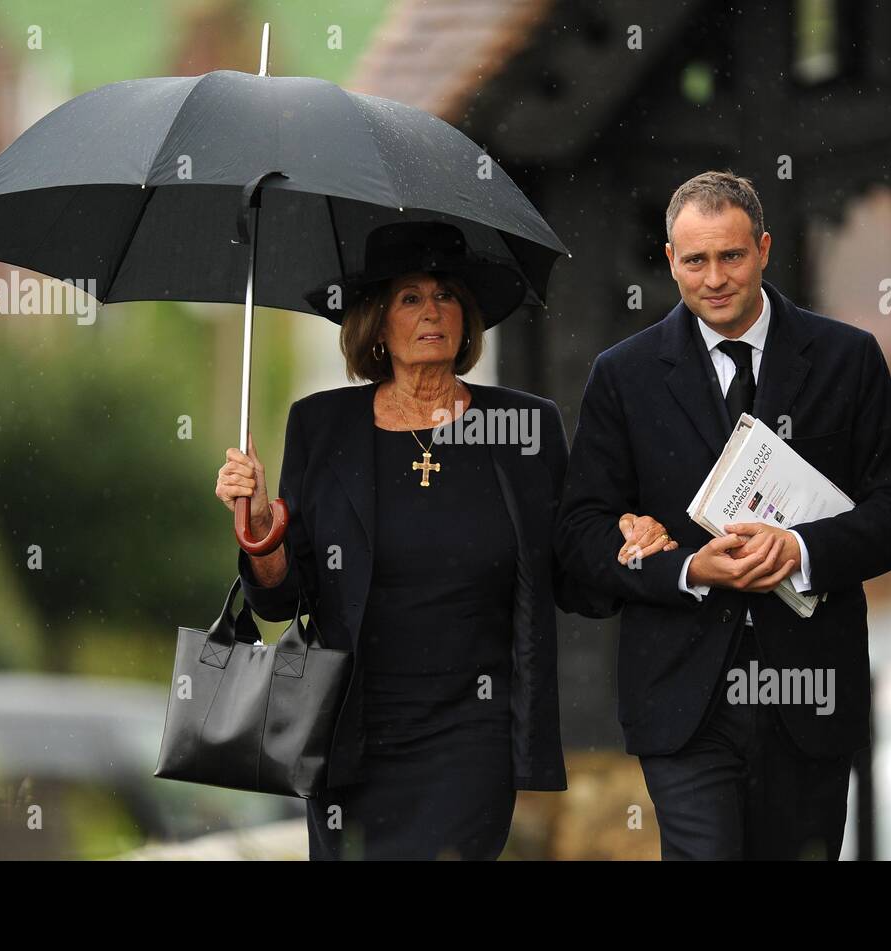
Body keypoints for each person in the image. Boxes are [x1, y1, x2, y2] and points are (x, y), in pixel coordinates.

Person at [214, 221, 674, 860]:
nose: (433, 311)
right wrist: (263, 528)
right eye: (410, 297)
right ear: (376, 322)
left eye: (447, 295)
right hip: (348, 731)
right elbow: (284, 597)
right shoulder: (323, 426)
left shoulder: (524, 426)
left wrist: (624, 537)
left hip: (471, 735)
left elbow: (571, 567)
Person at [557, 171, 891, 860]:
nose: (715, 277)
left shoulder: (847, 361)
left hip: (811, 693)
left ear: (763, 249)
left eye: (731, 255)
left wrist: (800, 549)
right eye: (695, 260)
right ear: (671, 261)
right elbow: (579, 538)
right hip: (682, 697)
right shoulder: (624, 375)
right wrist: (684, 568)